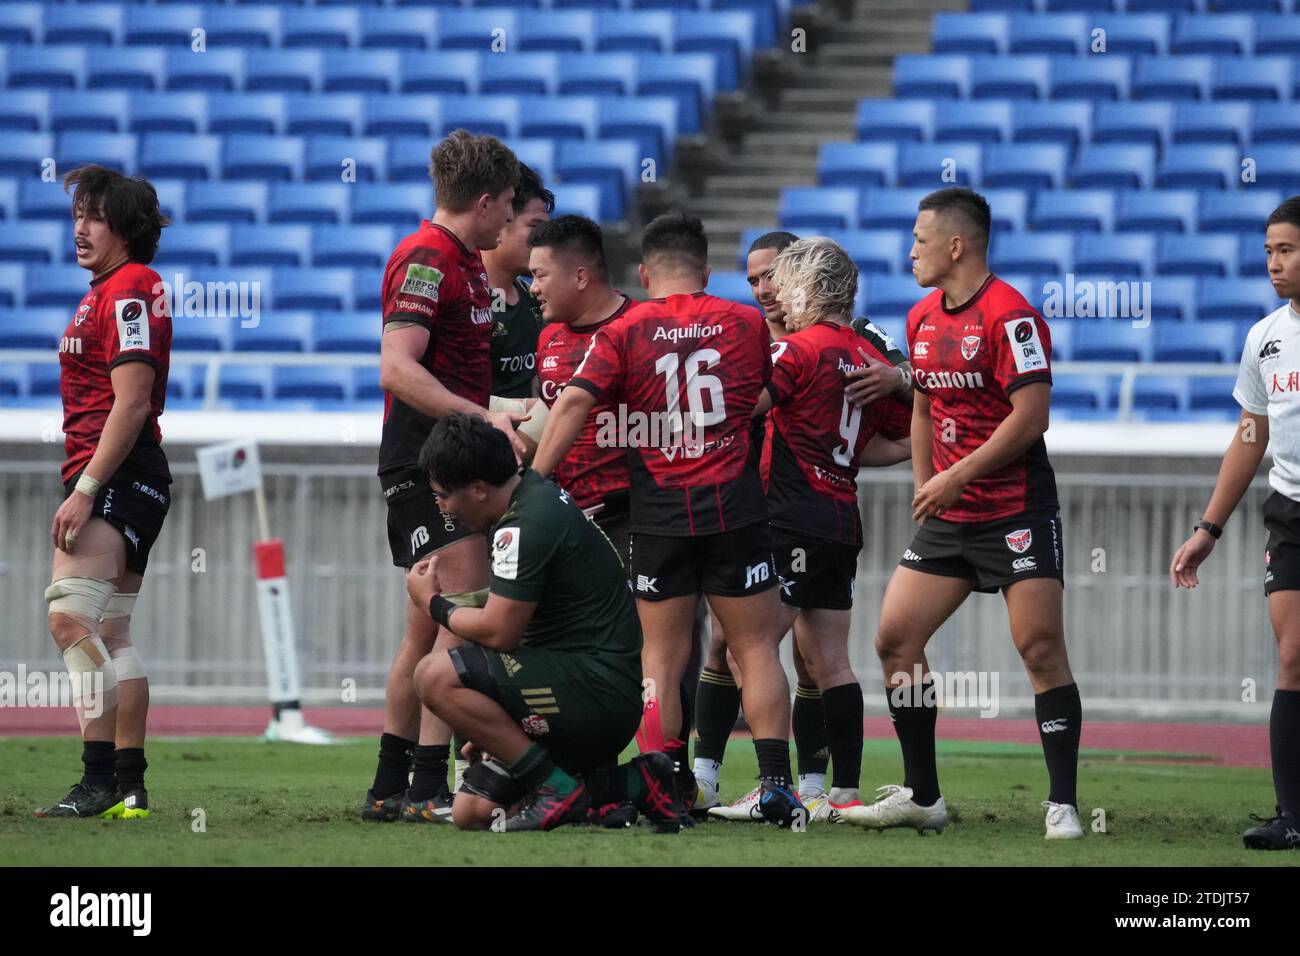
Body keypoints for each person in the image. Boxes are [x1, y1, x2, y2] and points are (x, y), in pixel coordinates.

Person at [533, 211, 804, 825]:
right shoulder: (744, 321)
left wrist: (535, 481)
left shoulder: (628, 329)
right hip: (734, 507)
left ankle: (664, 782)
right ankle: (775, 786)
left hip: (656, 514)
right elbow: (761, 394)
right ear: (706, 271)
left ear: (645, 272)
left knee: (660, 654)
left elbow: (575, 400)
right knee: (757, 647)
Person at [846, 188, 1083, 840]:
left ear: (957, 245)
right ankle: (924, 794)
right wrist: (929, 483)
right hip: (950, 513)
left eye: (920, 240)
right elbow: (923, 409)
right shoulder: (922, 317)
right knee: (895, 640)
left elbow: (1032, 418)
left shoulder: (1014, 318)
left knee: (1039, 648)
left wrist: (957, 475)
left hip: (1015, 508)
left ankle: (1062, 802)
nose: (910, 251)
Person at [700, 230, 914, 819]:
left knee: (752, 644)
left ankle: (777, 787)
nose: (773, 295)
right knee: (829, 660)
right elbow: (902, 438)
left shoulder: (797, 350)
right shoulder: (866, 358)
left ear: (808, 287)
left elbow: (748, 408)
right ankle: (841, 793)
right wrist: (836, 453)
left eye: (782, 283)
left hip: (788, 515)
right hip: (841, 518)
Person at [404, 414, 681, 832]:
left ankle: (556, 789)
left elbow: (500, 632)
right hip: (582, 686)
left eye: (443, 495)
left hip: (595, 695)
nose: (441, 507)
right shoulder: (529, 500)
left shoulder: (523, 525)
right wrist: (495, 724)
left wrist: (434, 605)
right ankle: (635, 782)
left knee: (433, 675)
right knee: (474, 813)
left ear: (479, 489)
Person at [364, 130, 526, 824]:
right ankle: (429, 784)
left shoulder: (461, 260)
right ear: (485, 202)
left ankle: (388, 785)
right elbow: (398, 367)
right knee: (461, 612)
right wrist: (482, 420)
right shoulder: (429, 258)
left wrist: (497, 414)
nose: (514, 221)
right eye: (511, 206)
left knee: (424, 628)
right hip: (426, 462)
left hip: (448, 457)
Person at [35, 165, 172, 820]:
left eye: (94, 216)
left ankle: (94, 781)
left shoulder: (128, 288)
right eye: (76, 216)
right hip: (129, 472)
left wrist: (87, 488)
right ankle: (129, 784)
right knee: (112, 630)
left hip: (117, 471)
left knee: (70, 617)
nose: (81, 229)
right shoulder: (118, 289)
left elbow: (132, 399)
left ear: (124, 224)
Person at [1170, 195, 1300, 851]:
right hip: (1291, 512)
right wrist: (1208, 530)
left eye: (1288, 250)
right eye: (1270, 251)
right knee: (1293, 656)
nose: (1275, 264)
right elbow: (1251, 435)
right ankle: (1293, 816)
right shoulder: (1265, 338)